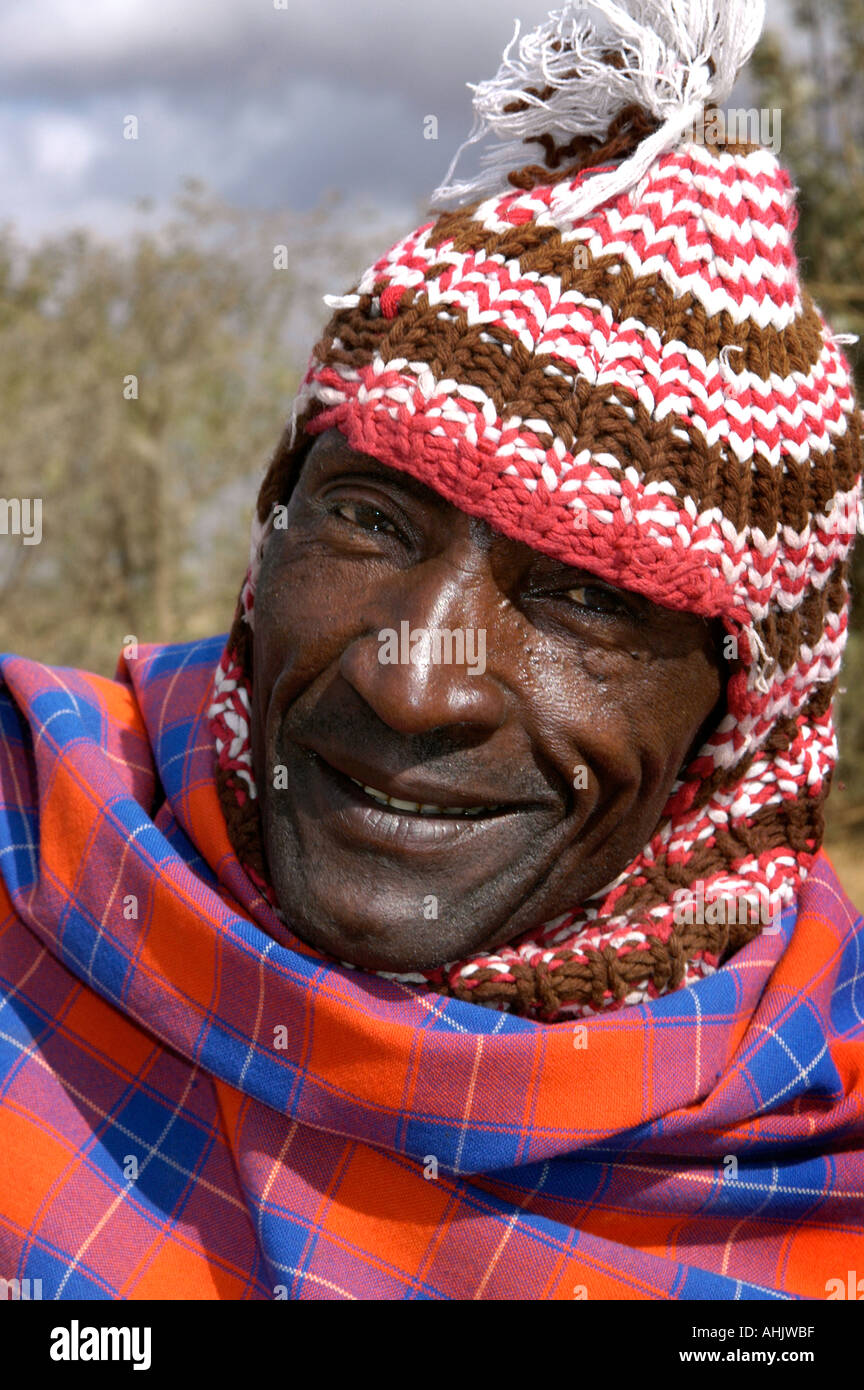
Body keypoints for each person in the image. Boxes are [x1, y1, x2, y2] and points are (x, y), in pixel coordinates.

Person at [1, 0, 863, 1301]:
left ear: (739, 729)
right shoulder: (39, 844)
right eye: (369, 518)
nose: (409, 681)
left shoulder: (807, 1154)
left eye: (586, 595)